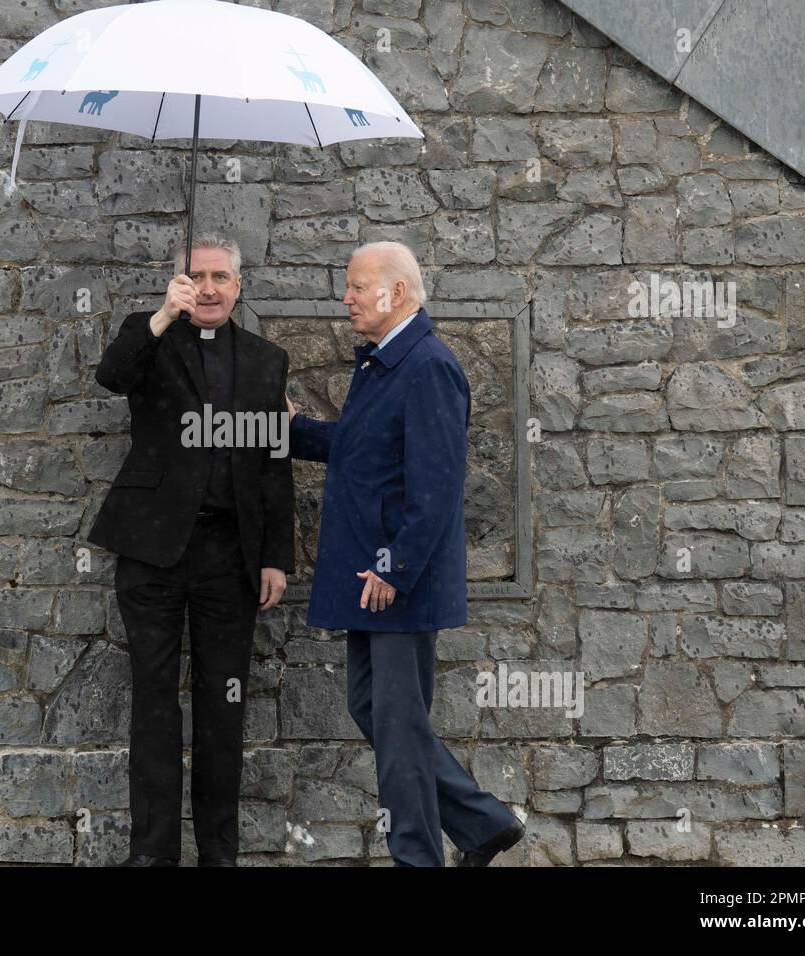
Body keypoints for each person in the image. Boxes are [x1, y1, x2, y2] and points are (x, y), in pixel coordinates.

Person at [286, 241, 525, 867]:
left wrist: (395, 567)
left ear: (396, 292)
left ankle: (419, 858)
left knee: (396, 732)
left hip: (394, 581)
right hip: (373, 579)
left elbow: (438, 485)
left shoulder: (428, 367)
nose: (347, 298)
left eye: (357, 287)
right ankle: (484, 823)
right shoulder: (383, 364)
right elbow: (361, 445)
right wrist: (294, 432)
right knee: (374, 710)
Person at [88, 234, 294, 866]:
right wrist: (159, 316)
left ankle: (219, 854)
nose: (208, 288)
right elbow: (109, 375)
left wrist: (276, 556)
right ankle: (151, 854)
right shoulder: (147, 339)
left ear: (238, 286)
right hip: (152, 550)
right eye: (196, 277)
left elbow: (274, 464)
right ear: (180, 283)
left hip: (229, 557)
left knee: (223, 704)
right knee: (153, 700)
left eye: (219, 278)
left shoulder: (267, 359)